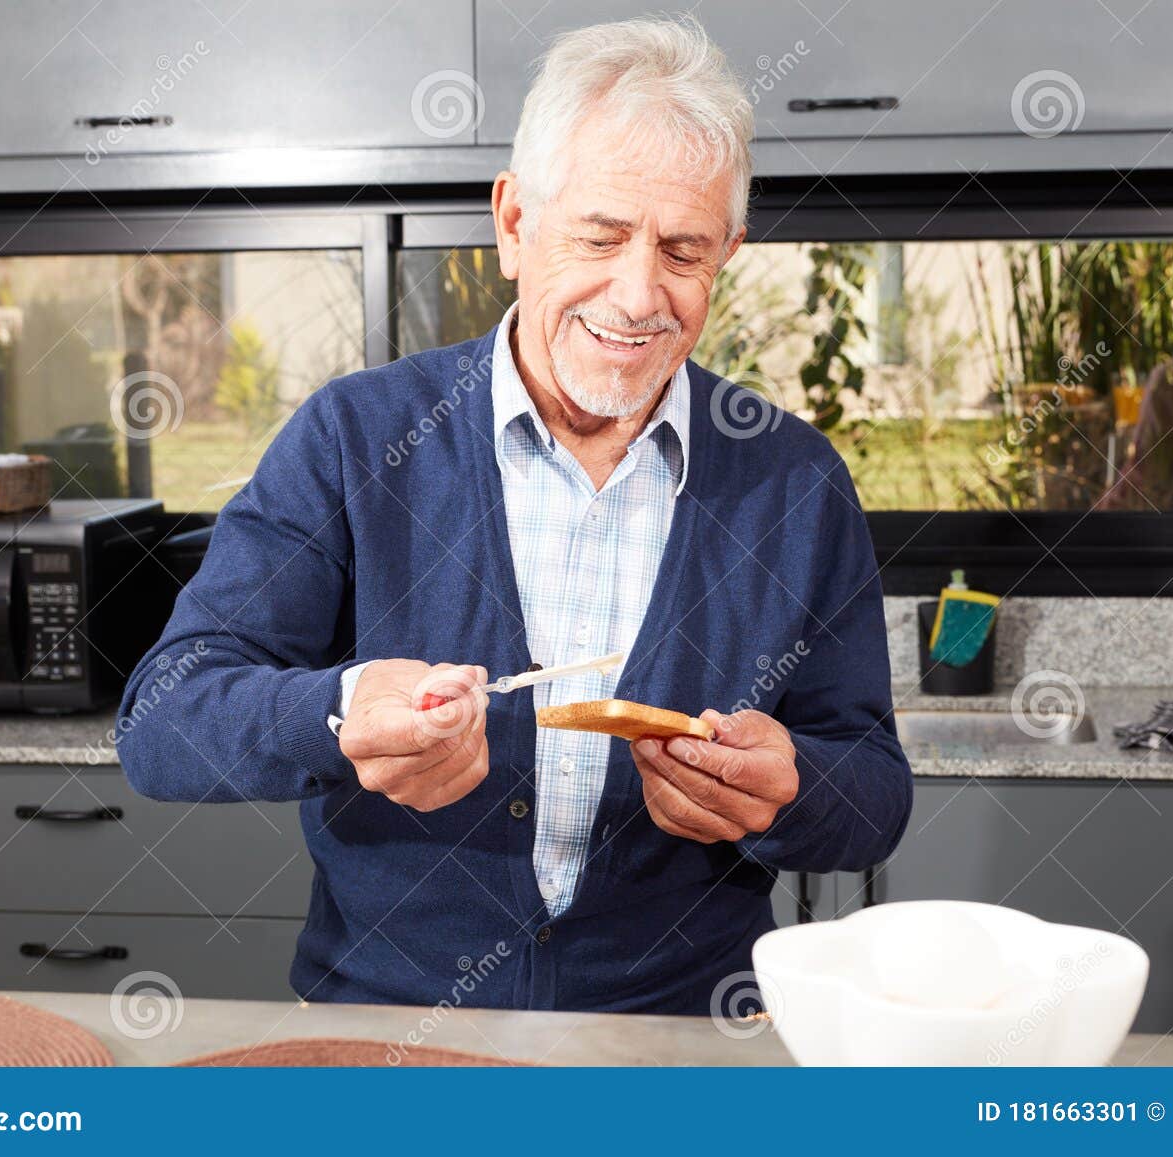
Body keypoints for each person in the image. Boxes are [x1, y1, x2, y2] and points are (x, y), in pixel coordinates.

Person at [118, 15, 912, 1015]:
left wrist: (792, 788)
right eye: (599, 234)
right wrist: (340, 709)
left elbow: (875, 793)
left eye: (681, 250)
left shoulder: (793, 480)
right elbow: (163, 717)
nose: (636, 293)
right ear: (512, 222)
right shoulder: (355, 438)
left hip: (688, 1038)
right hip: (392, 1032)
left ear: (726, 254)